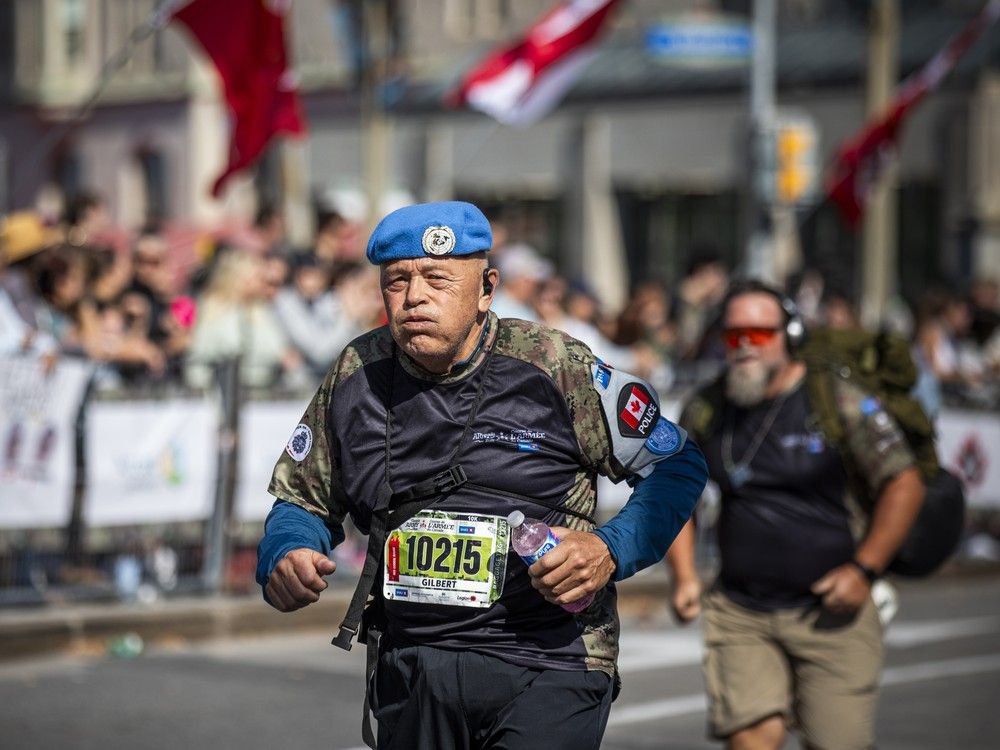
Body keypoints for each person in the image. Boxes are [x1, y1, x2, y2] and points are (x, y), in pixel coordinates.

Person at [256, 201, 707, 750]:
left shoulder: (554, 364)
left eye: (436, 279)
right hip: (414, 663)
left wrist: (611, 549)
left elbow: (675, 461)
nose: (414, 296)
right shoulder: (358, 373)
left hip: (550, 659)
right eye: (396, 281)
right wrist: (287, 550)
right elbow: (301, 499)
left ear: (486, 288)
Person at [665, 279, 925, 750]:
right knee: (750, 737)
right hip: (741, 610)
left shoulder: (834, 400)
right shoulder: (707, 407)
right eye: (732, 334)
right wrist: (684, 576)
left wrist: (864, 570)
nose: (744, 345)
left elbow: (903, 482)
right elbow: (676, 491)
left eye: (759, 334)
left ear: (792, 335)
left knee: (836, 742)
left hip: (831, 611)